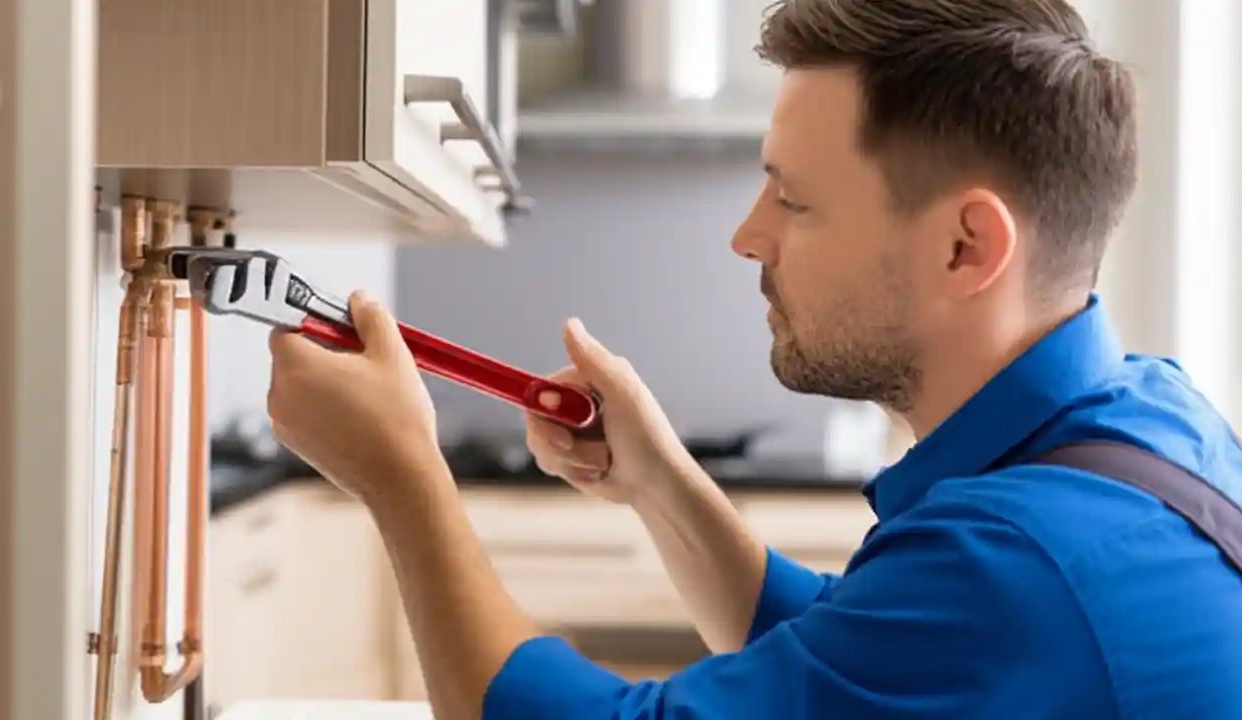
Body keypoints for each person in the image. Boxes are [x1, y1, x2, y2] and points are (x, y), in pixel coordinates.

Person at [263, 1, 1242, 718]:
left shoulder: (1018, 563)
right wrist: (659, 482)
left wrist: (402, 478)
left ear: (964, 248)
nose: (747, 236)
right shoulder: (1154, 418)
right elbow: (854, 664)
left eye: (793, 200)